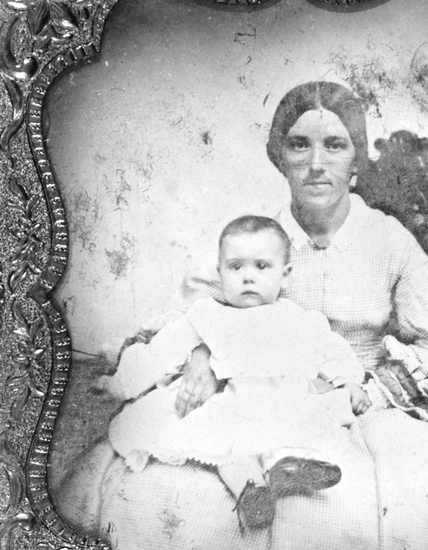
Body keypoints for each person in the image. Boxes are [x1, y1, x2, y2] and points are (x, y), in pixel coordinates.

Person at [53, 81, 428, 550]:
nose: (316, 163)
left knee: (412, 501)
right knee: (169, 497)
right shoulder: (261, 244)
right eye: (299, 145)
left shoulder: (387, 240)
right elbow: (199, 314)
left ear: (356, 160)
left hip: (366, 400)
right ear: (280, 158)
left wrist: (370, 391)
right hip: (257, 395)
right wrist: (203, 355)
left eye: (334, 145)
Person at [102, 215, 369, 530]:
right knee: (230, 449)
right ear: (220, 273)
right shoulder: (209, 316)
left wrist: (350, 381)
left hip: (287, 404)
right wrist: (121, 384)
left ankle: (288, 471)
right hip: (237, 405)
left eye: (262, 266)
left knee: (304, 430)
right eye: (236, 267)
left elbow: (331, 351)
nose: (248, 277)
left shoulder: (299, 319)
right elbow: (160, 353)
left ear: (285, 275)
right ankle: (252, 494)